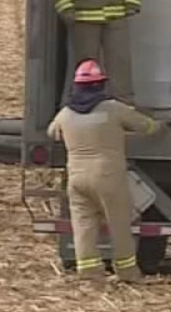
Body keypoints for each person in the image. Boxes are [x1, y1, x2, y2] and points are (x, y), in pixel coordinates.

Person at [47, 58, 161, 283]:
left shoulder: (65, 114)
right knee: (118, 223)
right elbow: (147, 127)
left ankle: (89, 272)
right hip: (107, 175)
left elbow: (52, 132)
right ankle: (127, 272)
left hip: (77, 178)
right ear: (100, 85)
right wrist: (162, 125)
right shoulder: (113, 109)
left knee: (83, 225)